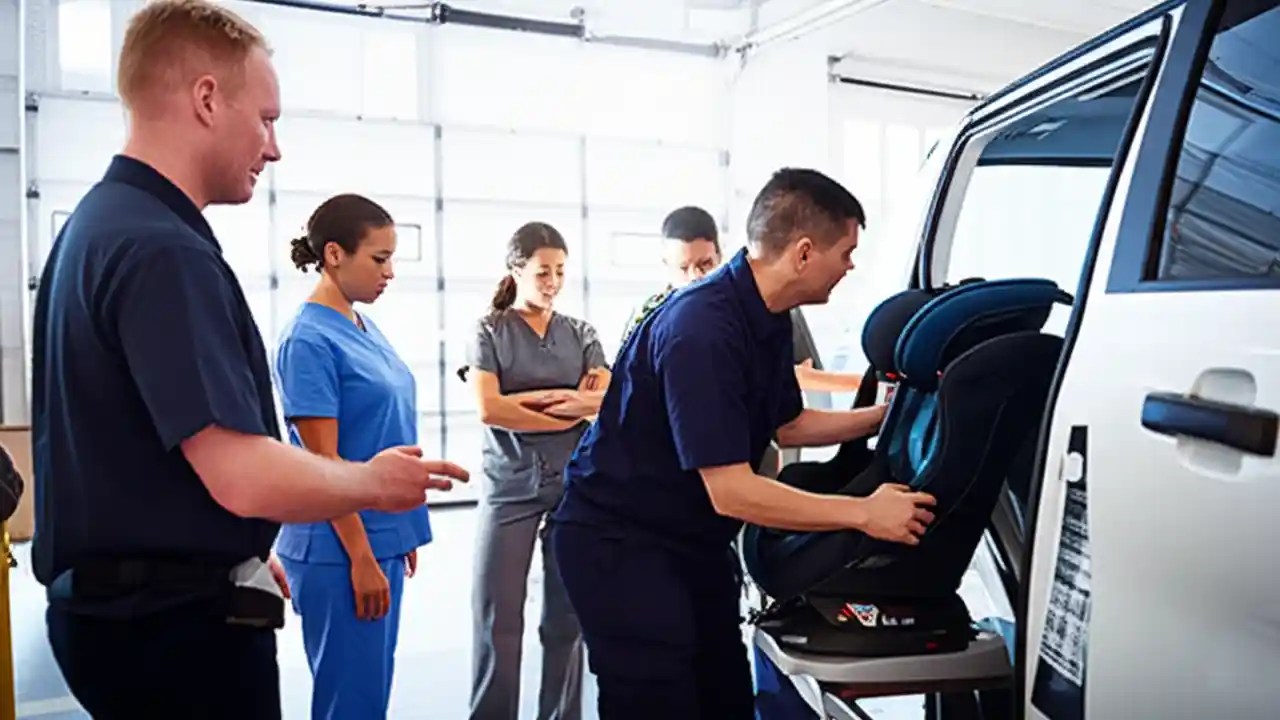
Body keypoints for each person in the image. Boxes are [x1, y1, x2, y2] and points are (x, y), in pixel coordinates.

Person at [29, 3, 466, 718]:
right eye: (265, 119)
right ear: (206, 99)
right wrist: (371, 482)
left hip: (122, 612)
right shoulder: (162, 251)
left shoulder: (98, 227)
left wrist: (235, 549)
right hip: (169, 630)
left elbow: (135, 446)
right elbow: (238, 472)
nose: (273, 147)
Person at [549, 168, 937, 719]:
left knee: (725, 697)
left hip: (692, 542)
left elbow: (789, 425)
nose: (850, 266)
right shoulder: (702, 327)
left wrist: (886, 417)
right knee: (660, 702)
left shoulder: (769, 314)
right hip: (621, 544)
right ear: (804, 253)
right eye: (847, 252)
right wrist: (864, 514)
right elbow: (732, 491)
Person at [273, 194, 430, 718]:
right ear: (335, 254)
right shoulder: (309, 340)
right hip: (338, 548)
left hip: (377, 536)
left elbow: (381, 433)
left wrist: (399, 530)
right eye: (379, 259)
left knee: (368, 694)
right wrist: (362, 555)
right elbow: (325, 467)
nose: (390, 273)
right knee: (350, 701)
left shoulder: (361, 325)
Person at [467, 221, 609, 720]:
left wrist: (528, 402)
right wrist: (570, 405)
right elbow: (489, 409)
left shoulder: (581, 333)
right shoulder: (490, 330)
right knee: (497, 619)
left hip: (574, 487)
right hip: (510, 487)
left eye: (561, 272)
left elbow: (605, 397)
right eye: (543, 271)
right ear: (516, 270)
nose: (553, 281)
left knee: (567, 620)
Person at [621, 205, 863, 394]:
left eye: (705, 264)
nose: (695, 277)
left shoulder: (769, 303)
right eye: (683, 268)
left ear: (720, 254)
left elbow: (802, 374)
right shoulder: (647, 318)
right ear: (666, 265)